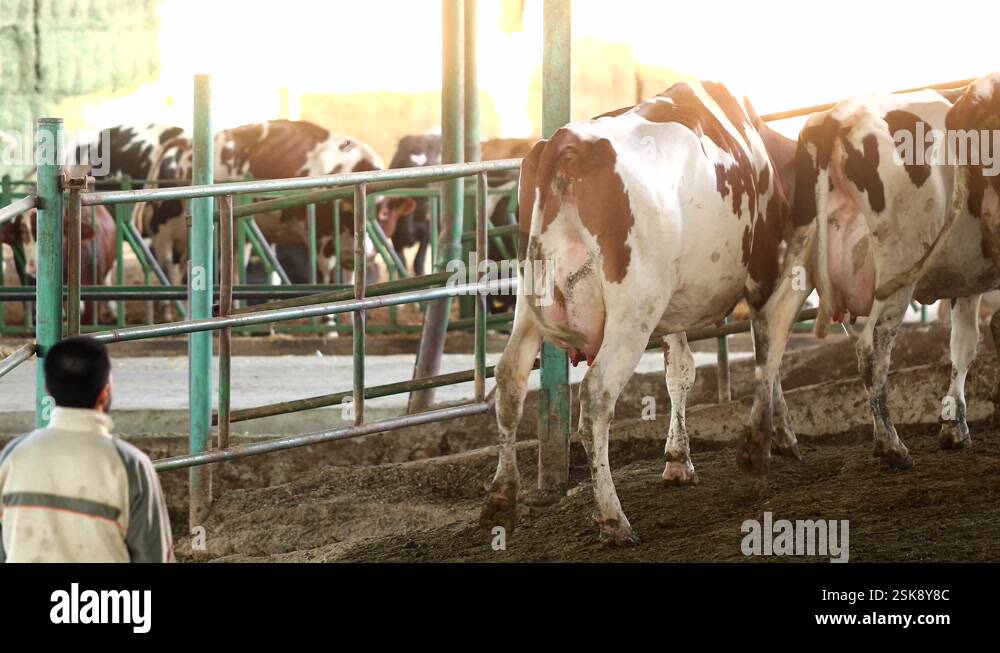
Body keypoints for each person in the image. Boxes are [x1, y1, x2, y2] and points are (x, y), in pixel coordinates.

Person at [0, 336, 173, 562]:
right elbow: (154, 557)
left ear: (47, 389)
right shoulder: (130, 465)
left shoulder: (13, 455)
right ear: (105, 393)